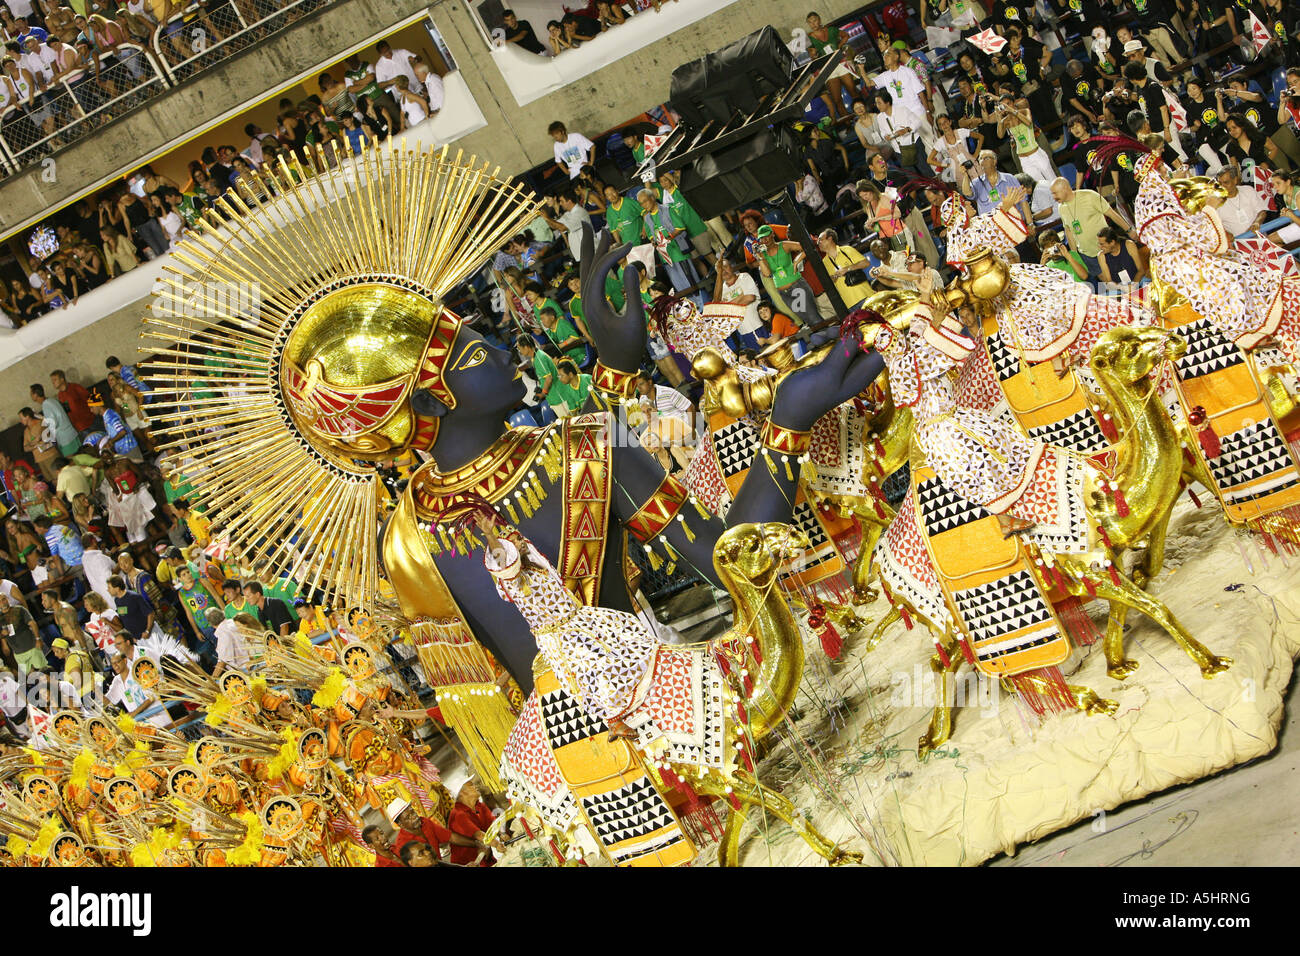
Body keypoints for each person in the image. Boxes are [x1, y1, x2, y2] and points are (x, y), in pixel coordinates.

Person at [1050, 177, 1130, 279]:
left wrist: (1129, 230)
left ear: (1065, 188)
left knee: (1126, 280)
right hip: (1088, 256)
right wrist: (1076, 256)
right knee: (1111, 286)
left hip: (1107, 249)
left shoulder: (1089, 196)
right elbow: (1068, 230)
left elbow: (1112, 214)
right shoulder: (1061, 207)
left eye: (1055, 193)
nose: (1053, 197)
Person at [753, 225, 819, 327]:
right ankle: (822, 338)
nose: (764, 240)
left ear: (772, 234)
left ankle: (832, 335)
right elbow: (767, 274)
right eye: (761, 238)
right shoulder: (763, 255)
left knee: (814, 318)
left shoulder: (783, 245)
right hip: (784, 293)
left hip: (797, 286)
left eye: (766, 236)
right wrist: (760, 258)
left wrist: (797, 261)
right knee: (807, 319)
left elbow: (807, 246)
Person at [446, 779, 500, 866]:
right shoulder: (458, 814)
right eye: (471, 785)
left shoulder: (479, 806)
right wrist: (497, 844)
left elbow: (494, 823)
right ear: (462, 793)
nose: (476, 786)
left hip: (485, 857)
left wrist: (502, 834)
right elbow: (479, 835)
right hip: (470, 862)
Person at [714, 257, 763, 352]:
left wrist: (729, 305)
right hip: (745, 333)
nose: (723, 271)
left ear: (731, 267)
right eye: (720, 270)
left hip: (760, 324)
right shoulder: (721, 290)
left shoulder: (744, 277)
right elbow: (722, 311)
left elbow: (750, 298)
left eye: (725, 267)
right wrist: (741, 297)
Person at [389, 796, 453, 860]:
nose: (414, 817)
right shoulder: (403, 845)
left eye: (413, 812)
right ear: (401, 824)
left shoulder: (425, 822)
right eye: (408, 818)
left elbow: (450, 836)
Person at [1213, 165, 1268, 237]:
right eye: (1220, 184)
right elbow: (1216, 227)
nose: (1222, 186)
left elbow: (1262, 211)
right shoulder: (1216, 203)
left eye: (1226, 182)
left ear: (1235, 180)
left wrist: (1257, 222)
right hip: (1239, 244)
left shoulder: (1248, 190)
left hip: (1260, 237)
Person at [0, 591, 47, 673]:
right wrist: (4, 642)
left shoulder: (19, 609)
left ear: (7, 599)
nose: (2, 603)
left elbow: (32, 623)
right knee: (30, 678)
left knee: (44, 671)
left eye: (3, 599)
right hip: (18, 653)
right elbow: (1, 634)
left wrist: (38, 639)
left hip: (32, 648)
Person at [516, 336, 563, 413]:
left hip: (559, 396)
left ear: (526, 347)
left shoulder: (539, 358)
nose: (519, 352)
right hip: (554, 397)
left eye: (519, 348)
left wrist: (542, 393)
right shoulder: (535, 358)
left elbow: (549, 378)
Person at [31, 383, 78, 456]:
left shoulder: (45, 405)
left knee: (74, 462)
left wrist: (41, 437)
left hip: (65, 439)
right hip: (72, 433)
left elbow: (53, 423)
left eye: (31, 393)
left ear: (35, 395)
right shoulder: (52, 400)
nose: (30, 396)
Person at [209, 608, 256, 676]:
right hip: (251, 663)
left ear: (210, 624)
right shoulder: (234, 623)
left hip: (244, 670)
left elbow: (222, 661)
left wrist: (212, 680)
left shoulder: (223, 633)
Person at [18, 406, 58, 481]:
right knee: (51, 481)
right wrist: (36, 445)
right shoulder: (26, 431)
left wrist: (33, 444)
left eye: (21, 418)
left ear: (27, 417)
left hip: (49, 456)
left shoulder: (40, 424)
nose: (20, 421)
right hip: (39, 459)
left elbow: (44, 438)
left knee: (59, 478)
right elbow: (25, 448)